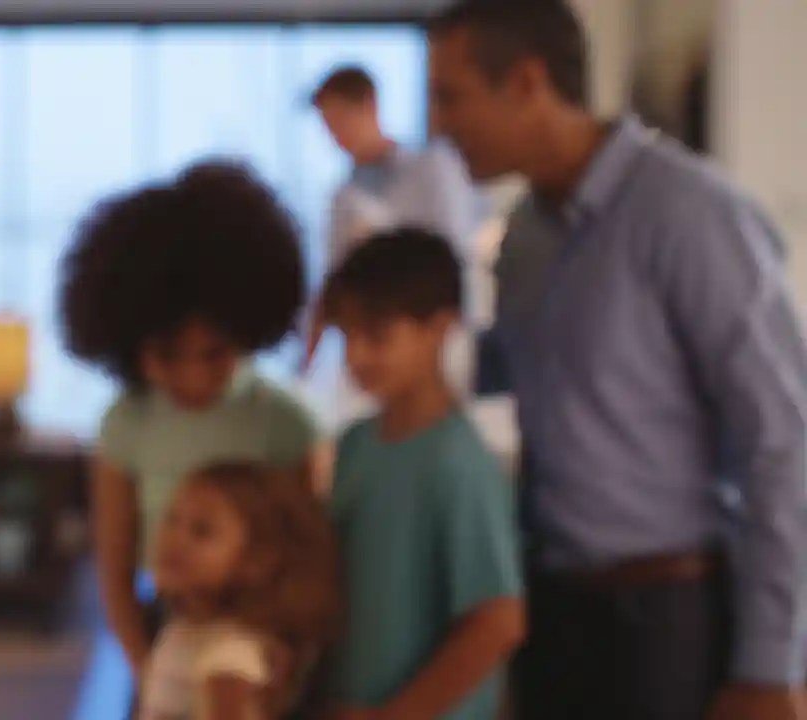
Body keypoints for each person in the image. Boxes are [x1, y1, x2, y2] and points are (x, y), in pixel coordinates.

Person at [427, 2, 807, 719]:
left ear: (528, 82)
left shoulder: (690, 214)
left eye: (451, 96)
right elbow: (519, 373)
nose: (439, 125)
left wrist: (771, 666)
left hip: (669, 621)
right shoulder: (525, 238)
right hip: (555, 613)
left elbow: (781, 443)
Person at [59, 161, 320, 698]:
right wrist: (147, 668)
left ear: (251, 330)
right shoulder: (126, 423)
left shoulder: (284, 424)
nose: (193, 375)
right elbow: (113, 568)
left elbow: (308, 562)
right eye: (167, 355)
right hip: (162, 636)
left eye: (214, 354)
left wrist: (285, 667)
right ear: (130, 344)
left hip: (260, 648)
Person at [322, 229, 525, 720]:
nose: (356, 357)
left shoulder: (459, 463)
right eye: (345, 335)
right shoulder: (355, 445)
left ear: (441, 327)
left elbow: (498, 622)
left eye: (377, 336)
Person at [303, 66, 483, 429]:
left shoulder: (431, 170)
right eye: (328, 124)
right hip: (372, 347)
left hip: (431, 340)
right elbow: (334, 283)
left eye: (340, 118)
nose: (336, 134)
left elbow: (453, 258)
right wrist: (305, 363)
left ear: (370, 106)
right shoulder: (344, 197)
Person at [138, 462, 339, 720]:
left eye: (202, 531)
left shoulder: (230, 653)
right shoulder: (189, 632)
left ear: (255, 561)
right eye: (172, 519)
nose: (175, 538)